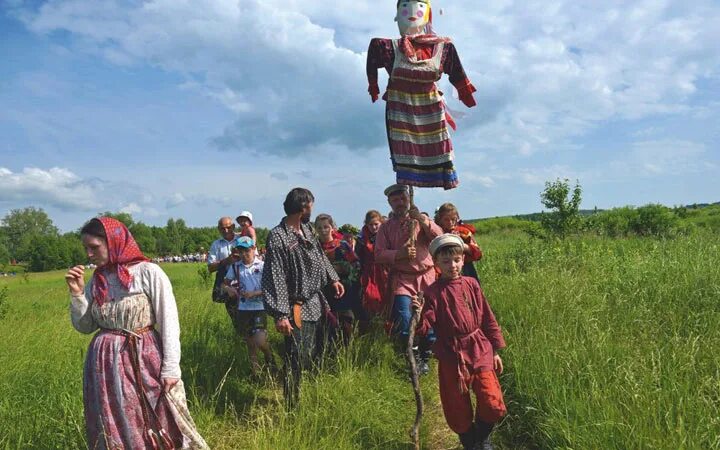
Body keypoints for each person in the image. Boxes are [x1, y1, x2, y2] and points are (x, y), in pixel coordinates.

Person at [65, 217, 208, 449]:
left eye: (94, 247)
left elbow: (168, 320)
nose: (89, 254)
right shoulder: (98, 280)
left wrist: (171, 367)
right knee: (117, 419)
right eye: (86, 248)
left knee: (160, 415)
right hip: (106, 365)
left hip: (144, 357)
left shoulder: (148, 272)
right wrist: (78, 294)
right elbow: (85, 326)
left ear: (113, 242)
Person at [412, 234, 506, 450]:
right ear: (436, 264)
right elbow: (426, 327)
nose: (452, 266)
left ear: (463, 259)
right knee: (457, 407)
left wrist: (495, 350)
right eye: (445, 261)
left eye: (456, 260)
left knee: (492, 401)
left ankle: (481, 437)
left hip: (479, 347)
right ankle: (470, 443)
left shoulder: (472, 284)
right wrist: (417, 315)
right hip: (451, 353)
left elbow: (487, 317)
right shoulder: (432, 292)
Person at [261, 187, 344, 408]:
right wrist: (280, 314)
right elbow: (275, 276)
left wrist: (333, 278)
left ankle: (307, 395)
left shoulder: (307, 230)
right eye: (310, 206)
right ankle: (291, 404)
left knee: (315, 352)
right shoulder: (278, 236)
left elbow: (319, 256)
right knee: (296, 356)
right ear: (301, 207)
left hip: (316, 303)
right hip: (294, 307)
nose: (312, 211)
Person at [375, 183, 442, 374]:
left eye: (402, 198)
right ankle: (412, 358)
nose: (399, 203)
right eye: (395, 200)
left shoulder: (421, 220)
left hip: (426, 277)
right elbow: (378, 254)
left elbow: (439, 237)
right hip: (402, 279)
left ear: (408, 198)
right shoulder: (385, 228)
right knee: (405, 319)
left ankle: (426, 355)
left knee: (429, 318)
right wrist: (399, 254)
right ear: (389, 202)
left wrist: (421, 219)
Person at [223, 236, 277, 378]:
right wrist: (229, 289)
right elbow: (225, 283)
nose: (244, 254)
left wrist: (254, 293)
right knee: (250, 343)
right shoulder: (236, 267)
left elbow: (270, 287)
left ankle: (269, 355)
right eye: (241, 251)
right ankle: (256, 374)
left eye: (247, 250)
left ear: (254, 249)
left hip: (259, 308)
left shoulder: (263, 266)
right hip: (243, 309)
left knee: (260, 340)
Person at [315, 213, 363, 347]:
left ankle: (347, 354)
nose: (323, 230)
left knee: (346, 324)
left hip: (344, 292)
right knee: (325, 326)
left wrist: (346, 278)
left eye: (326, 227)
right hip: (322, 293)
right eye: (319, 228)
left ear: (332, 228)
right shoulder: (314, 248)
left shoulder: (342, 246)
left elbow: (356, 266)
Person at [435, 202, 483, 280]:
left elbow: (478, 254)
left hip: (466, 269)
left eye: (453, 219)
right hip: (443, 271)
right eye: (446, 219)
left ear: (457, 218)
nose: (450, 222)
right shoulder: (436, 233)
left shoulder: (464, 232)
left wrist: (463, 246)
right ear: (440, 219)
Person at [356, 210, 389, 318]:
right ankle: (371, 322)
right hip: (369, 272)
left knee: (384, 296)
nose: (374, 227)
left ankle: (384, 323)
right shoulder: (362, 238)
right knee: (370, 296)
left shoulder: (386, 235)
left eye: (376, 224)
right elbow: (358, 255)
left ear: (381, 223)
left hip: (384, 270)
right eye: (371, 225)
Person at [208, 216, 239, 326]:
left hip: (245, 283)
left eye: (228, 227)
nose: (226, 230)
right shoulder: (216, 245)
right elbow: (210, 267)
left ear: (233, 226)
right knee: (235, 317)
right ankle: (240, 339)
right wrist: (227, 261)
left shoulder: (242, 239)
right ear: (218, 229)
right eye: (222, 228)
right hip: (228, 286)